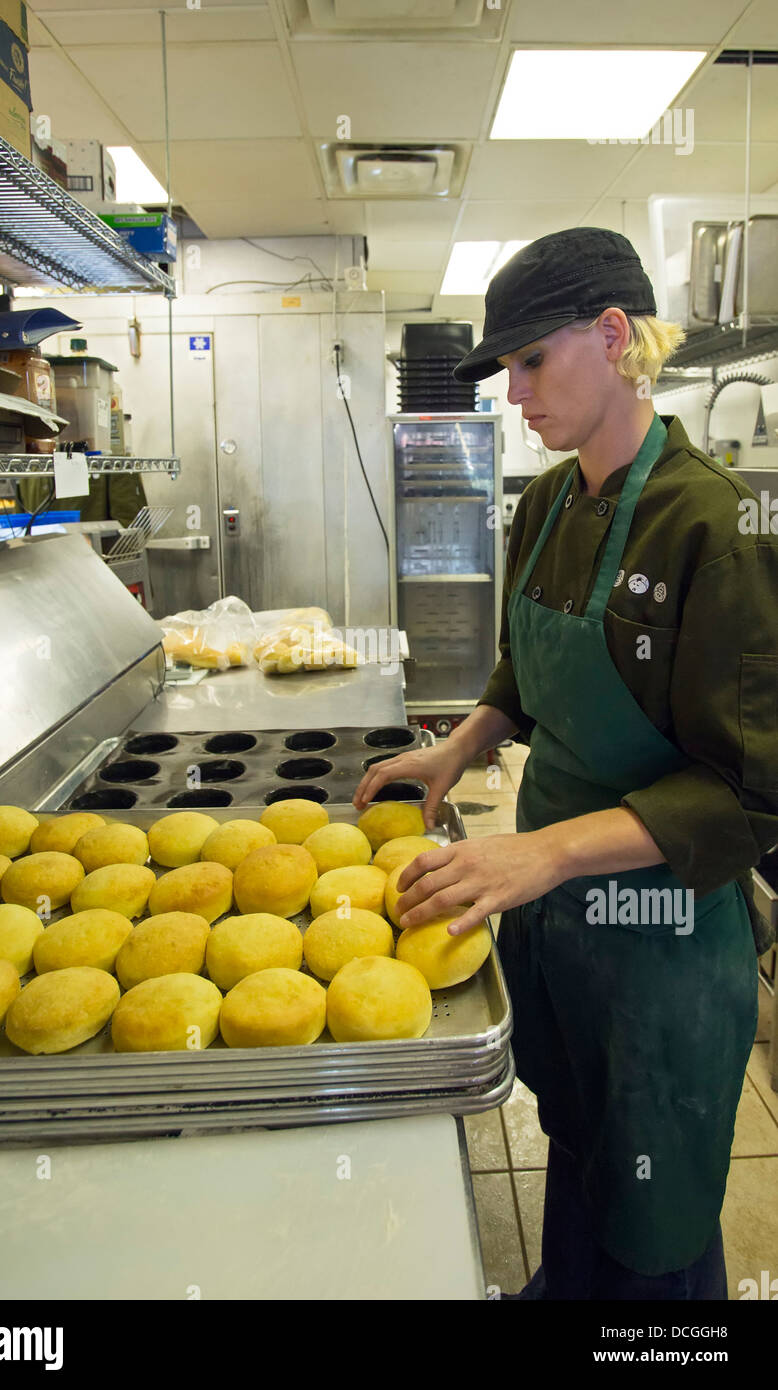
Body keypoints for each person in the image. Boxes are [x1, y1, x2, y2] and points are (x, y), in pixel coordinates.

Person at [353, 227, 778, 1300]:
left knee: (656, 1208)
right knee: (578, 1141)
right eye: (505, 369)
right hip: (562, 923)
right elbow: (520, 673)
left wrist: (540, 855)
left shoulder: (712, 524)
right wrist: (459, 744)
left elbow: (744, 794)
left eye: (530, 360)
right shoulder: (545, 505)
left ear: (611, 335)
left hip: (664, 944)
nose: (514, 391)